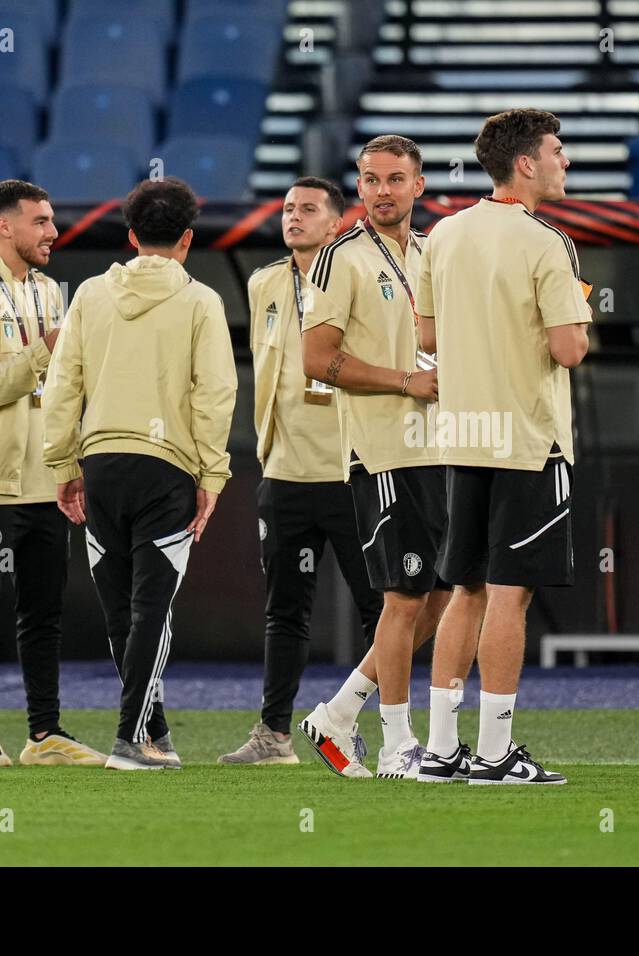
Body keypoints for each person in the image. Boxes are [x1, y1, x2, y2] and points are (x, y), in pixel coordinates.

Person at [414, 109, 590, 785]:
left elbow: (427, 335)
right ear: (526, 164)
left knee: (465, 589)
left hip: (462, 435)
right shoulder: (547, 243)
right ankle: (493, 753)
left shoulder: (444, 235)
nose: (564, 160)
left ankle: (439, 749)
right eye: (556, 149)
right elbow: (568, 348)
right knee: (510, 594)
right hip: (525, 438)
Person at [43, 177, 238, 771]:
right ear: (187, 238)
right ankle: (130, 740)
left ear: (130, 237)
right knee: (152, 608)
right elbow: (216, 394)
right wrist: (213, 474)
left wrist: (62, 463)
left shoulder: (90, 297)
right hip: (167, 466)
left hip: (101, 464)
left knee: (122, 612)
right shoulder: (202, 301)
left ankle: (154, 733)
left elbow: (62, 385)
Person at [298, 135, 451, 780]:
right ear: (358, 187)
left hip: (441, 445)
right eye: (370, 179)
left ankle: (339, 710)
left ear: (419, 186)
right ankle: (396, 745)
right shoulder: (340, 258)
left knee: (444, 594)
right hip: (383, 450)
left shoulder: (433, 251)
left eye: (395, 179)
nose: (382, 190)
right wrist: (402, 380)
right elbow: (317, 359)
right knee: (404, 598)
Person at [218, 176, 384, 766]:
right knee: (285, 610)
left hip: (351, 468)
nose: (294, 217)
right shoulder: (264, 281)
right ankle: (274, 736)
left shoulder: (363, 275)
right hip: (285, 471)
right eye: (288, 208)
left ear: (338, 221)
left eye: (308, 209)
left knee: (381, 609)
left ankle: (388, 732)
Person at [0, 179, 105, 769]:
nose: (53, 232)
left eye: (52, 221)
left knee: (43, 610)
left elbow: (63, 392)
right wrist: (46, 349)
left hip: (44, 478)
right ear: (4, 227)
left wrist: (70, 462)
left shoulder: (47, 293)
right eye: (40, 221)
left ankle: (44, 734)